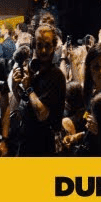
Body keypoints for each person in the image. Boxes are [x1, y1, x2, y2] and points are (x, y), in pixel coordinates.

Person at [13, 24, 66, 155]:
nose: (43, 50)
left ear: (54, 46)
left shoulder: (56, 76)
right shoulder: (33, 72)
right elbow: (24, 104)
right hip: (25, 142)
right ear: (33, 46)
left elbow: (42, 114)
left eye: (47, 46)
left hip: (43, 147)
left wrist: (29, 88)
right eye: (39, 45)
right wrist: (15, 87)